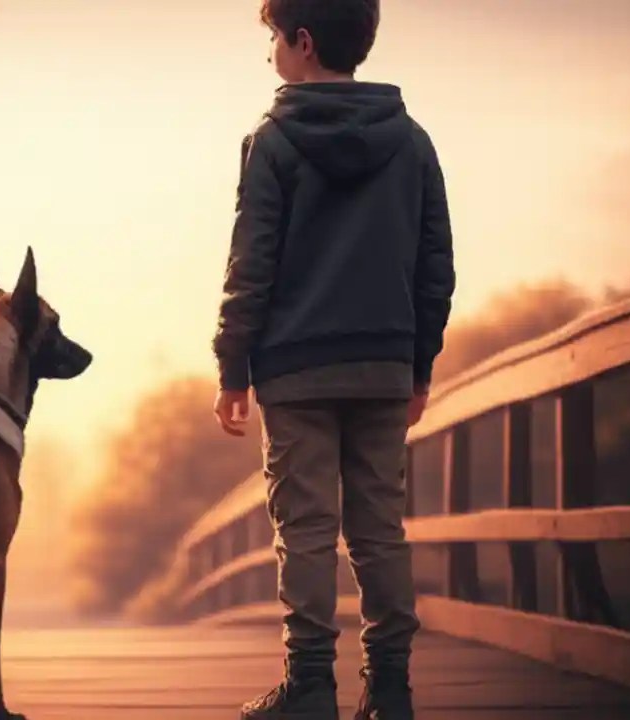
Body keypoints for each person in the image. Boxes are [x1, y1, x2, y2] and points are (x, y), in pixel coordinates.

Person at [210, 1, 455, 718]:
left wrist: (233, 366)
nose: (271, 56)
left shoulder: (274, 142)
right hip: (383, 366)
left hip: (295, 370)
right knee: (380, 528)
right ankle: (390, 690)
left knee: (306, 530)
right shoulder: (412, 143)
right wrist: (418, 366)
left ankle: (311, 686)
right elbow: (434, 267)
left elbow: (249, 265)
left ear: (304, 42)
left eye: (274, 41)